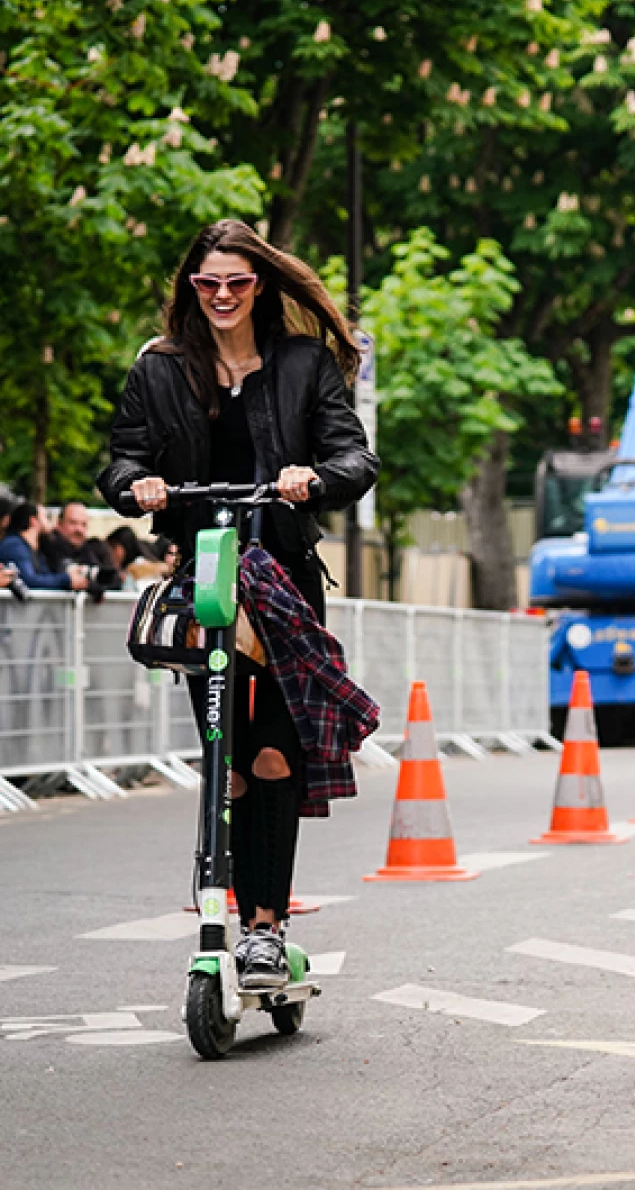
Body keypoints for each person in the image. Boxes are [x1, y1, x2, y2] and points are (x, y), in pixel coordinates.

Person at [98, 218, 378, 989]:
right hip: (206, 580)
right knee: (227, 760)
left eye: (238, 282)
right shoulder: (159, 369)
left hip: (283, 578)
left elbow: (354, 454)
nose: (222, 295)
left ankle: (265, 926)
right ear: (191, 286)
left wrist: (313, 478)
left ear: (261, 285)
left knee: (271, 752)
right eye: (207, 283)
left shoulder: (302, 361)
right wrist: (137, 486)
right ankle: (224, 907)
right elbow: (121, 458)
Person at [0, 502, 90, 591]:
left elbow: (45, 575)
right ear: (33, 521)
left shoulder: (36, 547)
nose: (50, 522)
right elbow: (29, 580)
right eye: (45, 517)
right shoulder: (14, 545)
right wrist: (67, 580)